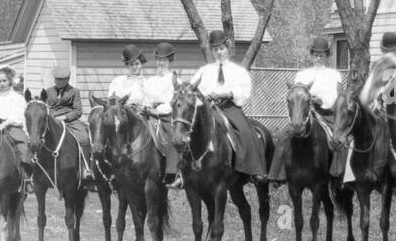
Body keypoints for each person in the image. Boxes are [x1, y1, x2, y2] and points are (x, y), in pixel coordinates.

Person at [190, 29, 268, 180]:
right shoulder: (204, 71)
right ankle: (186, 170)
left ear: (227, 48)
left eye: (221, 48)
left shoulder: (237, 71)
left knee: (246, 132)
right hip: (208, 108)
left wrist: (229, 94)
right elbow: (193, 89)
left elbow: (245, 91)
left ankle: (255, 170)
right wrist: (205, 96)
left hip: (229, 107)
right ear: (211, 51)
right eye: (215, 49)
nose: (218, 52)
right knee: (190, 132)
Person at [269, 35, 348, 183]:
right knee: (282, 136)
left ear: (327, 57)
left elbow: (335, 96)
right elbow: (295, 95)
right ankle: (278, 176)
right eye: (316, 55)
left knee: (338, 141)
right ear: (312, 56)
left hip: (325, 113)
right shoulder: (302, 74)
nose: (318, 59)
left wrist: (320, 100)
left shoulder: (334, 75)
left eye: (322, 55)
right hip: (303, 114)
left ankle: (340, 175)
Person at [41, 64, 96, 190]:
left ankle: (86, 169)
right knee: (37, 136)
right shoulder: (48, 92)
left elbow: (78, 111)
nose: (57, 81)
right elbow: (44, 107)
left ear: (66, 80)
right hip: (52, 120)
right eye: (56, 79)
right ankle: (37, 171)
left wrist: (64, 117)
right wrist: (51, 118)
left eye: (60, 79)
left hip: (70, 121)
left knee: (84, 138)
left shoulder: (74, 92)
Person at [141, 42, 183, 188]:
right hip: (148, 113)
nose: (160, 63)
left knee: (173, 137)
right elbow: (146, 97)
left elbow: (172, 103)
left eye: (164, 60)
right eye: (158, 60)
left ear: (169, 61)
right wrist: (146, 107)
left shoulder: (175, 80)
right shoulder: (150, 80)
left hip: (167, 115)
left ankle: (173, 173)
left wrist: (156, 112)